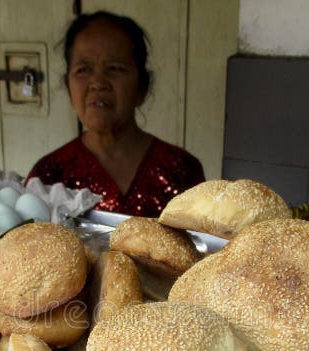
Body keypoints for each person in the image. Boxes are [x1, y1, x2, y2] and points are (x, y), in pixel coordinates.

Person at [26, 11, 205, 217]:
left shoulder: (182, 170)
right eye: (83, 69)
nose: (98, 82)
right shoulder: (48, 176)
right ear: (68, 88)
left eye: (115, 68)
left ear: (142, 87)